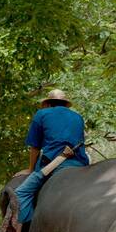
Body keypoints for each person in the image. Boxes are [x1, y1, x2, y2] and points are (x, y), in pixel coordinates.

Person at [14, 89, 90, 224]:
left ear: (48, 104)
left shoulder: (41, 114)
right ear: (66, 105)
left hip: (53, 164)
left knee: (20, 193)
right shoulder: (78, 117)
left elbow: (35, 147)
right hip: (80, 164)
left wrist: (31, 169)